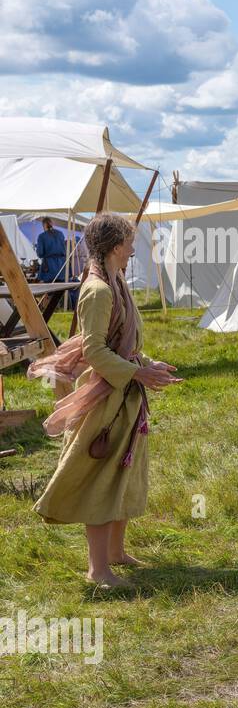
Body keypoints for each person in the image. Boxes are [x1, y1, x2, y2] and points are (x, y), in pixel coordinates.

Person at [29, 213, 182, 588]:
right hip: (105, 396)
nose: (133, 249)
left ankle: (115, 551)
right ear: (116, 247)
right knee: (101, 475)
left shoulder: (116, 282)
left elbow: (121, 347)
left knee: (122, 470)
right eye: (129, 242)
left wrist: (146, 364)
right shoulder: (97, 291)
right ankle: (98, 570)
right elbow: (95, 350)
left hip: (124, 392)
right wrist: (138, 373)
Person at [34, 217, 66, 283]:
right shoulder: (60, 234)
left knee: (49, 289)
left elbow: (40, 253)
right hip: (61, 266)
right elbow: (64, 249)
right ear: (52, 224)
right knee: (60, 289)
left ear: (44, 225)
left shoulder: (42, 236)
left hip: (49, 268)